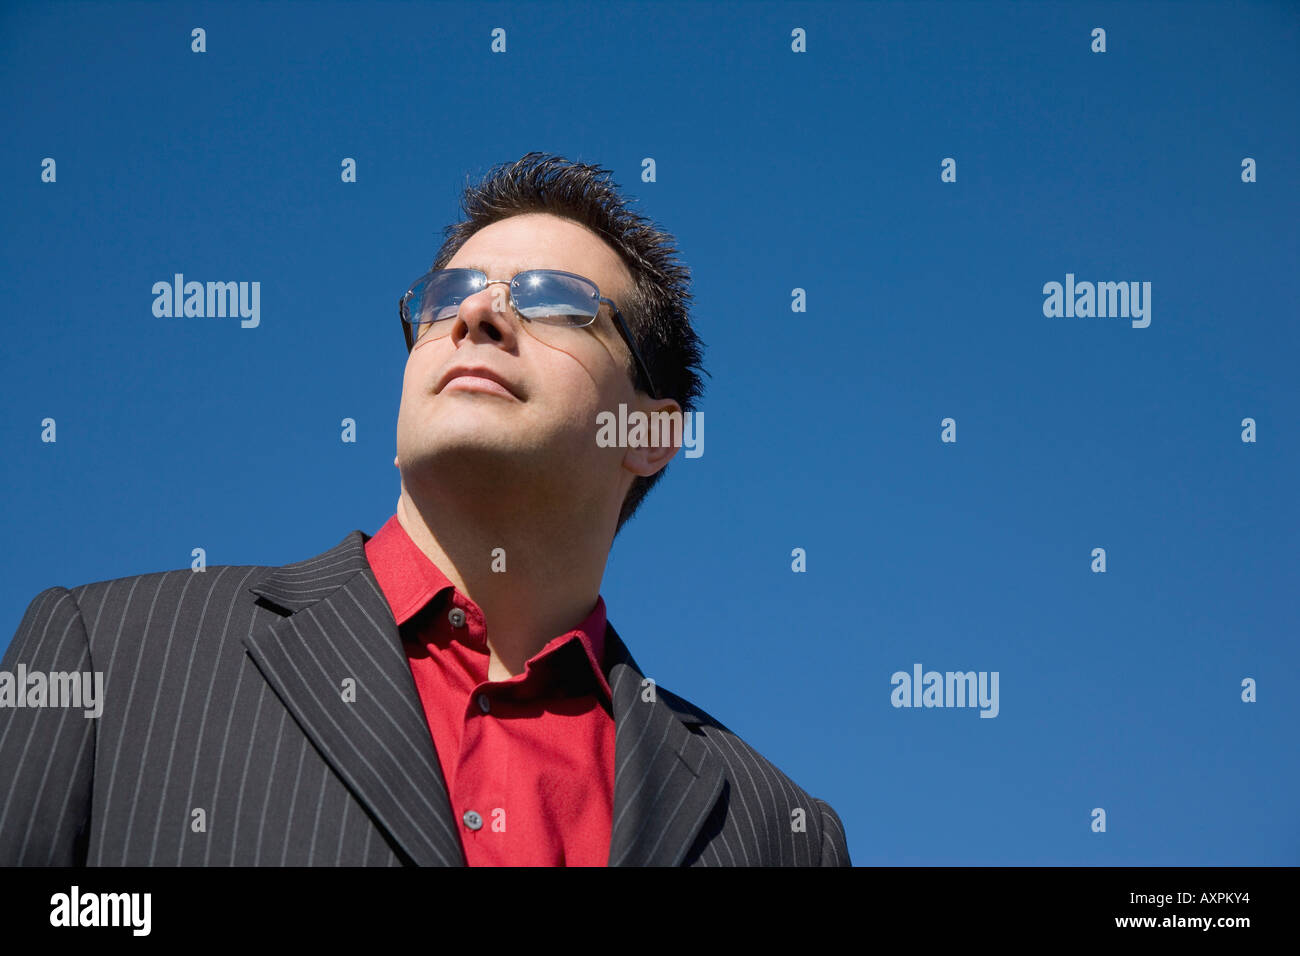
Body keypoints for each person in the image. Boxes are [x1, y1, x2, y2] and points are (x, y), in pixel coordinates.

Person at [0, 152, 850, 867]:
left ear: (652, 434)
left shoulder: (776, 834)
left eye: (553, 300)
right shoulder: (109, 656)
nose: (477, 314)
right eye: (448, 295)